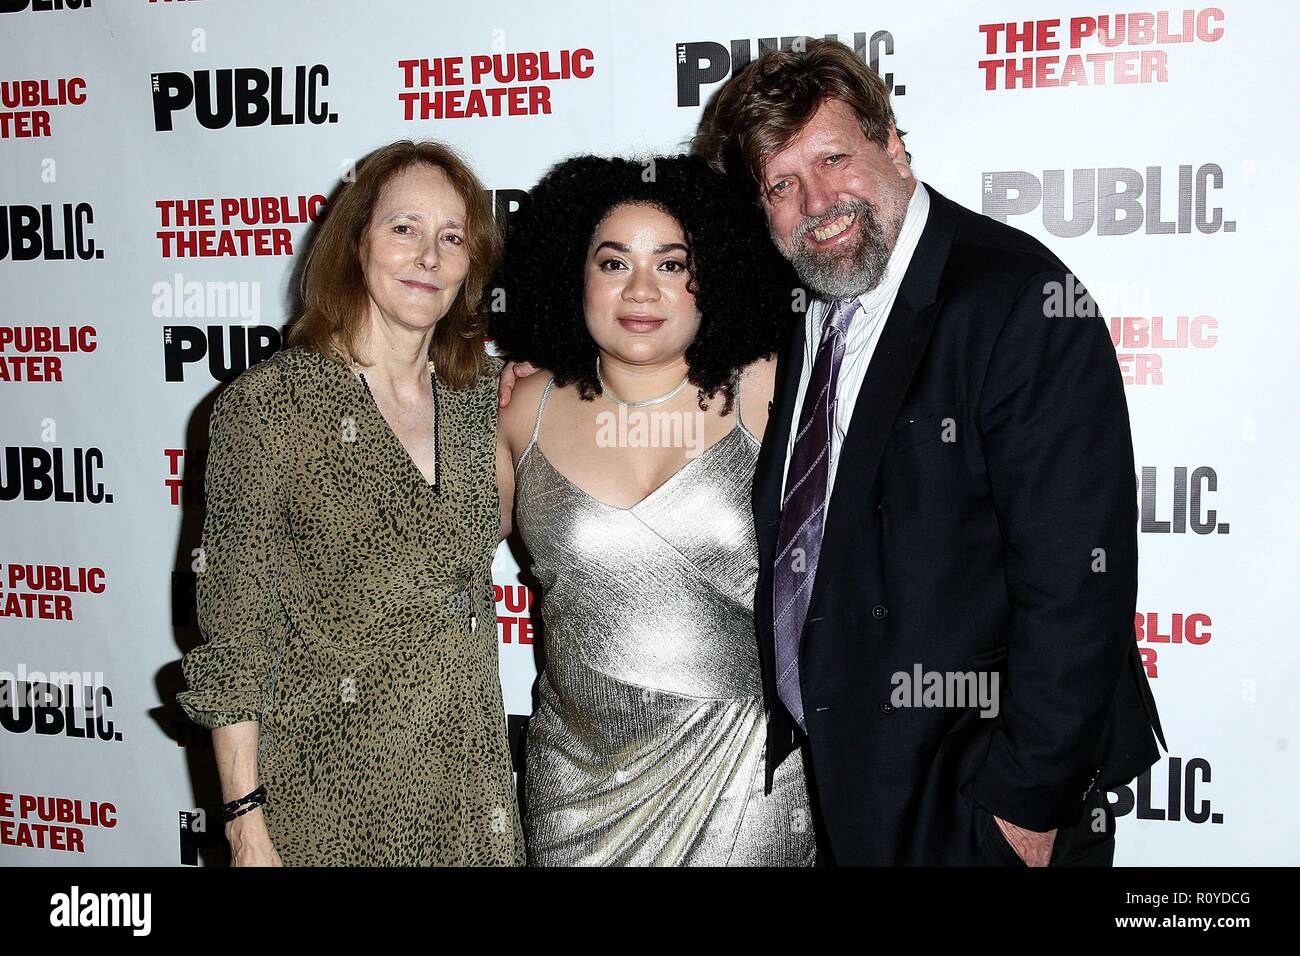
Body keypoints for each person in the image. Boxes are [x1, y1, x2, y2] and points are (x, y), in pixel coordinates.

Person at [688, 38, 1165, 865]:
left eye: (834, 157)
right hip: (857, 783)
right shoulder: (816, 304)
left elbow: (1076, 578)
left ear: (894, 147)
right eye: (782, 185)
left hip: (977, 797)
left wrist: (1022, 805)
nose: (817, 200)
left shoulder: (1015, 299)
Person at [177, 140, 524, 866]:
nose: (429, 256)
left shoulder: (484, 399)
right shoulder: (268, 409)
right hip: (327, 804)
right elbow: (237, 641)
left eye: (452, 237)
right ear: (356, 242)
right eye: (405, 228)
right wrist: (245, 826)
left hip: (469, 794)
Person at [493, 154, 815, 865]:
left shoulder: (769, 388)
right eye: (613, 264)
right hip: (574, 789)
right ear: (573, 276)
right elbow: (427, 562)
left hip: (746, 781)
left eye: (672, 265)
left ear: (716, 280)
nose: (641, 289)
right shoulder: (520, 409)